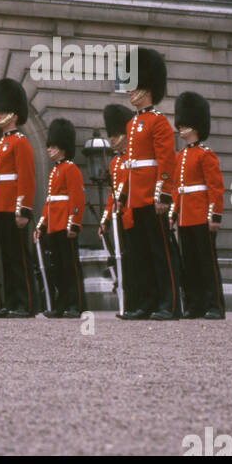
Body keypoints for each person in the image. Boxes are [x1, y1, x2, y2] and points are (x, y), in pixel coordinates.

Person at [119, 47, 181, 319]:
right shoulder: (133, 124)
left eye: (135, 87)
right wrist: (124, 196)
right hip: (136, 196)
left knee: (161, 253)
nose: (130, 92)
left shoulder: (159, 122)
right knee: (140, 254)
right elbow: (130, 164)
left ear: (149, 88)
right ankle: (147, 302)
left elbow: (166, 163)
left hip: (152, 196)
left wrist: (163, 194)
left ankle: (169, 303)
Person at [0, 77, 36, 318]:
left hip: (14, 208)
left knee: (19, 258)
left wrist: (23, 209)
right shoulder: (2, 144)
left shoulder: (20, 143)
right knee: (7, 256)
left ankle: (25, 302)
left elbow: (26, 178)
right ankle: (11, 301)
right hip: (1, 207)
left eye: (2, 112)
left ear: (13, 115)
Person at [172, 91, 226, 320]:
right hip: (185, 215)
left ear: (195, 126)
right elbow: (177, 188)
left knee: (207, 264)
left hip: (201, 215)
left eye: (184, 125)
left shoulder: (206, 155)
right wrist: (173, 214)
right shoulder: (179, 156)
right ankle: (194, 304)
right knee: (190, 264)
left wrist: (214, 215)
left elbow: (215, 187)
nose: (180, 128)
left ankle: (215, 305)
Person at [38, 118, 84, 318]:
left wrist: (74, 222)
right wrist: (42, 224)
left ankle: (76, 304)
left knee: (69, 266)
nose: (49, 149)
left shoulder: (70, 169)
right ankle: (62, 303)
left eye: (53, 146)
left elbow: (77, 197)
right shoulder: (54, 171)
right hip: (54, 225)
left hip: (65, 223)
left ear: (63, 147)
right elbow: (49, 201)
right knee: (57, 267)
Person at [99, 104, 138, 319]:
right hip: (119, 219)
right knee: (122, 261)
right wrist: (104, 220)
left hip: (133, 216)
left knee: (134, 261)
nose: (112, 140)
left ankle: (137, 302)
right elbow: (111, 196)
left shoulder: (131, 160)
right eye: (111, 136)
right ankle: (129, 303)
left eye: (116, 135)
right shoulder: (115, 163)